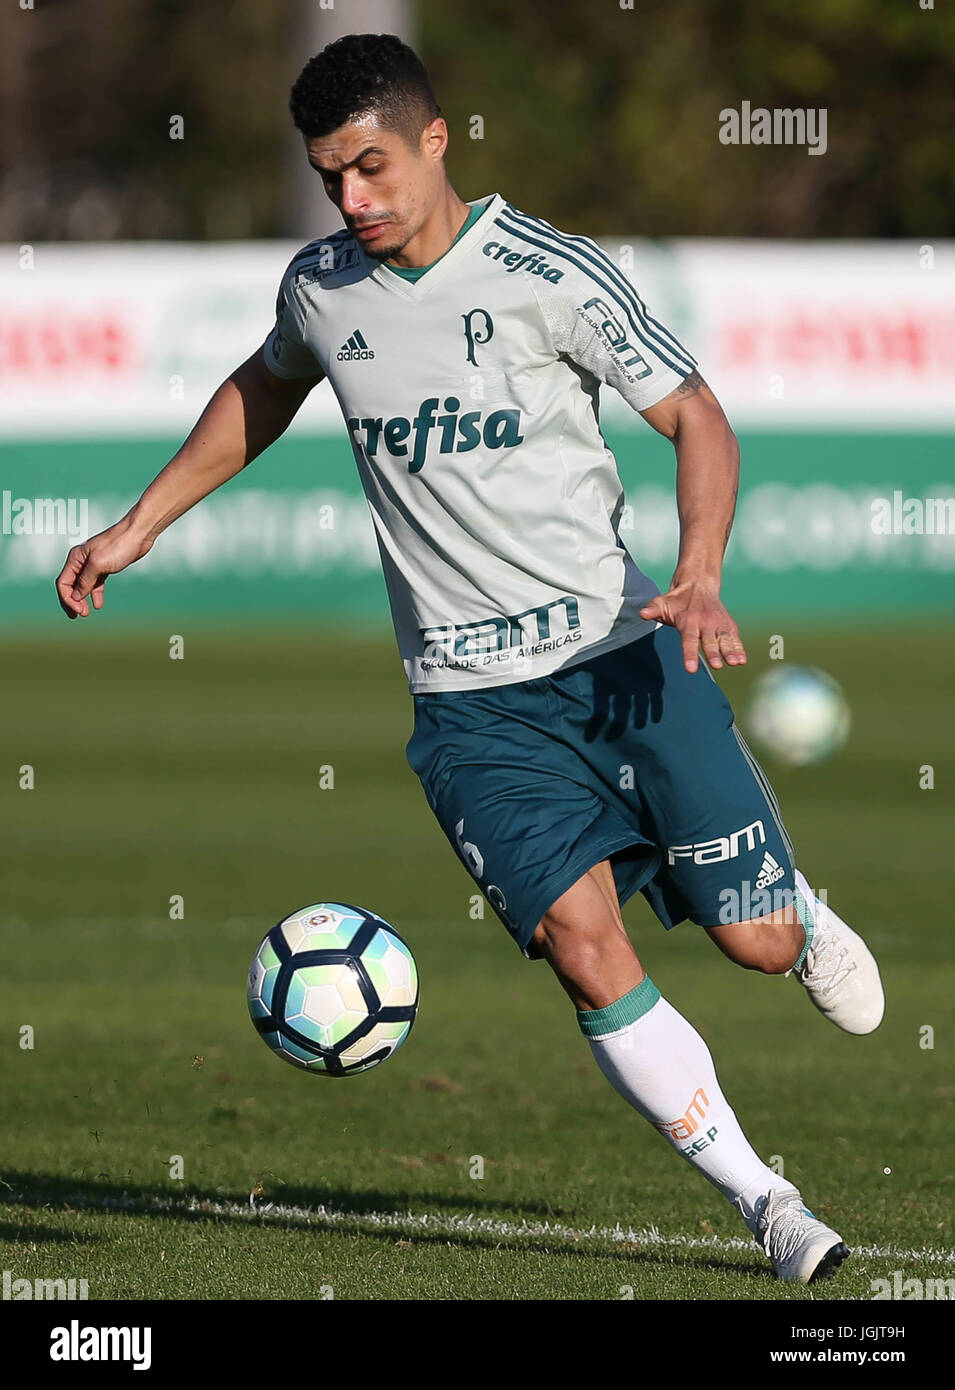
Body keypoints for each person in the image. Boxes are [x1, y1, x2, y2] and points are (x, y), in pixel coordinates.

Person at [55, 32, 884, 1284]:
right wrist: (139, 524)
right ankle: (767, 1200)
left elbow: (693, 413)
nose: (354, 201)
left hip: (622, 655)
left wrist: (700, 566)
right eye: (332, 177)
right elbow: (266, 388)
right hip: (469, 707)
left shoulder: (549, 273)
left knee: (756, 945)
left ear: (435, 139)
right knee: (581, 945)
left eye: (373, 167)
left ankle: (794, 904)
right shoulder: (322, 287)